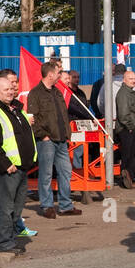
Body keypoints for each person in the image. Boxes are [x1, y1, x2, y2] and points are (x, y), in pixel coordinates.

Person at [0, 67, 37, 256]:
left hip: (21, 167)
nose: (11, 92)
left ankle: (10, 238)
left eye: (12, 89)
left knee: (16, 207)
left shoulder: (16, 109)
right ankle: (3, 242)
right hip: (7, 169)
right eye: (6, 90)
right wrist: (6, 165)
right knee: (5, 207)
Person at [26, 60, 80, 219]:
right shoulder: (35, 93)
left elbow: (63, 115)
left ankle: (65, 205)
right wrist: (43, 135)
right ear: (50, 74)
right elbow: (32, 118)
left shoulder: (57, 92)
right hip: (47, 141)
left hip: (61, 139)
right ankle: (47, 206)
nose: (60, 75)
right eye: (58, 72)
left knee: (65, 172)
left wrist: (67, 134)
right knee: (46, 174)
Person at [115, 70, 135, 188]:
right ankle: (127, 179)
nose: (134, 81)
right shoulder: (124, 93)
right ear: (124, 80)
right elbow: (123, 114)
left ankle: (132, 177)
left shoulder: (131, 92)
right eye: (131, 79)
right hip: (127, 129)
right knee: (129, 156)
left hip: (133, 128)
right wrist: (131, 127)